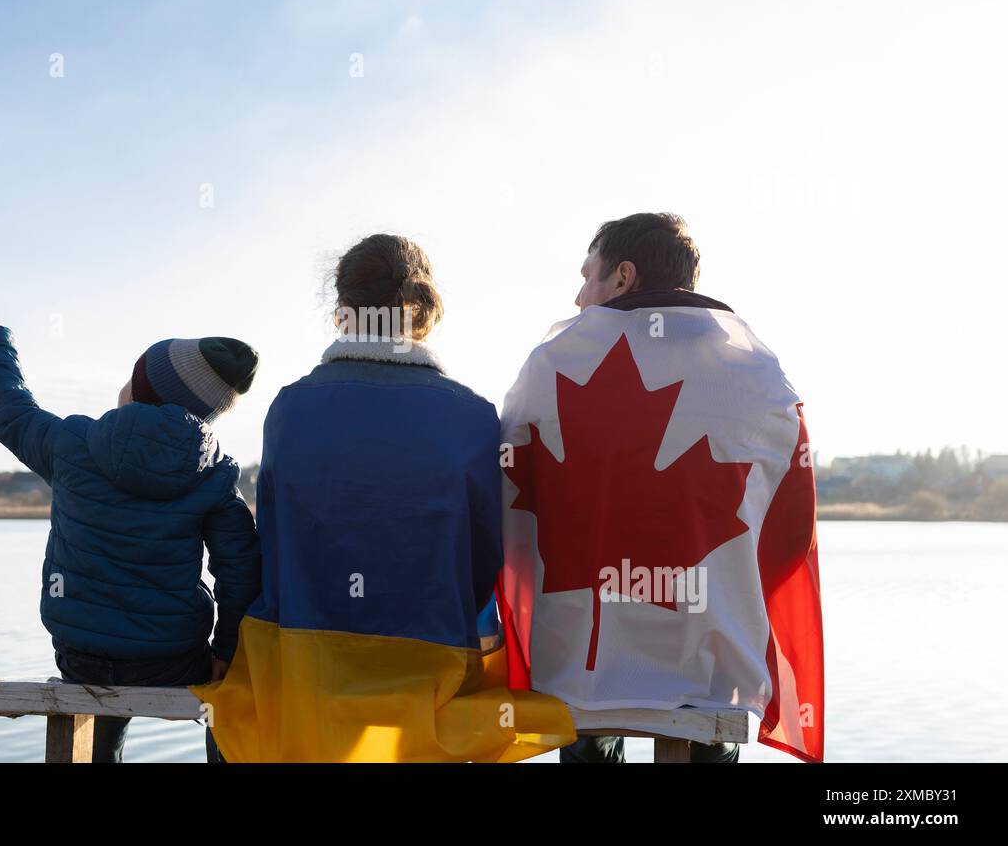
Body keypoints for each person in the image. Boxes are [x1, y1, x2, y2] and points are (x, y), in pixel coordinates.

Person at [192, 234, 574, 762]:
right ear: (422, 311)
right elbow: (485, 561)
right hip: (431, 681)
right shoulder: (472, 418)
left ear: (342, 308)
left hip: (305, 679)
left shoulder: (290, 410)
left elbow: (275, 543)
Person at [0, 312, 261, 763]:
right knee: (233, 698)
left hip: (81, 653)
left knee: (100, 678)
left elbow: (10, 410)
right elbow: (239, 572)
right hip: (175, 656)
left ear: (143, 391)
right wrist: (226, 650)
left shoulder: (71, 442)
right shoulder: (216, 474)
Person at [564, 212, 739, 763]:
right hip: (708, 642)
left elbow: (516, 491)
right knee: (706, 722)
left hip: (591, 639)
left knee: (590, 719)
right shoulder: (754, 376)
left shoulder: (558, 369)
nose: (577, 298)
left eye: (587, 276)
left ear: (622, 277)